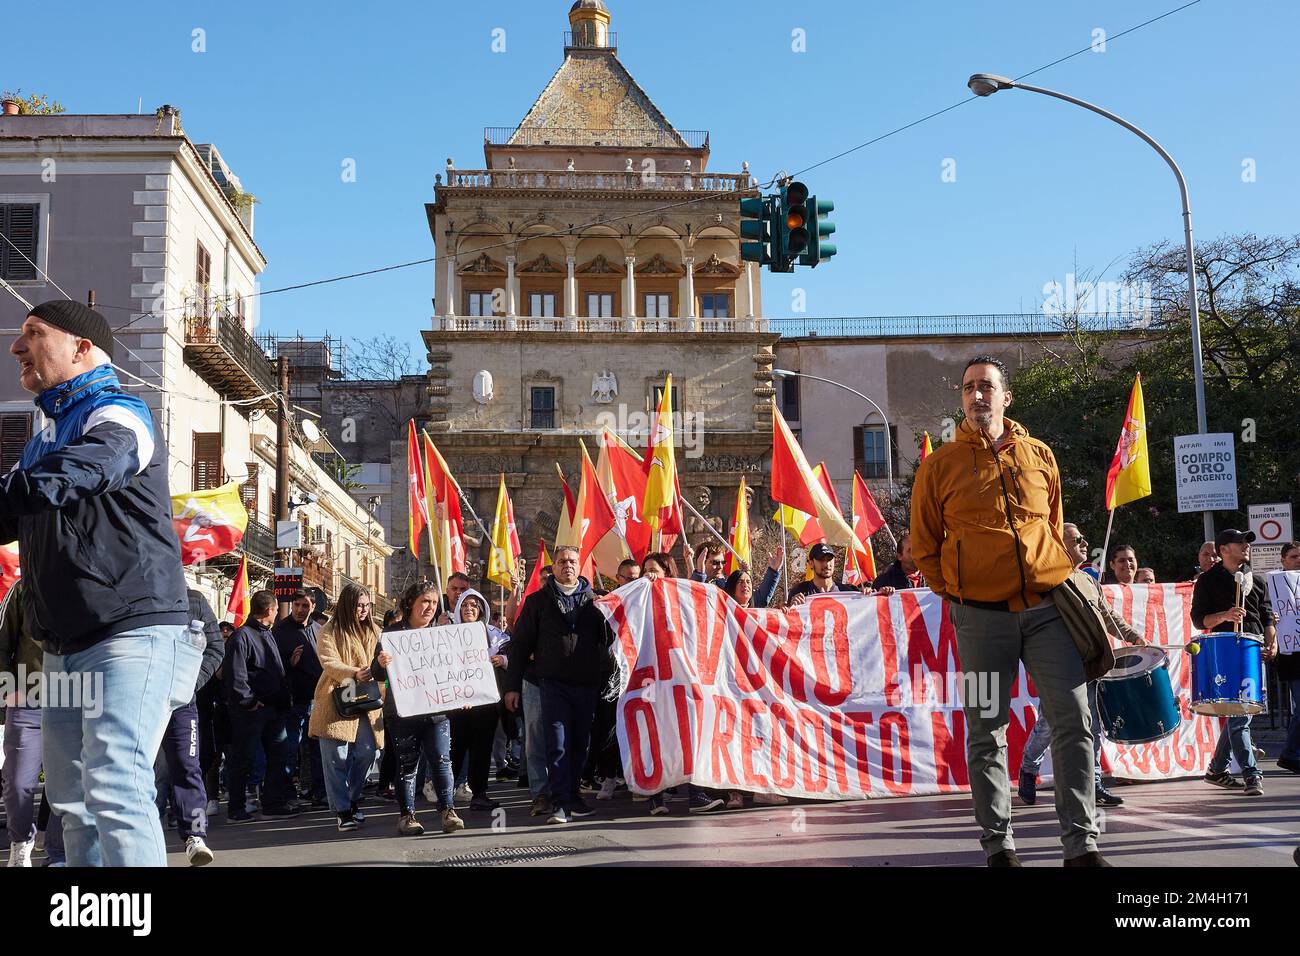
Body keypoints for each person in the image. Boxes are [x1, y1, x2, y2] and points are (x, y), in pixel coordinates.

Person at [3, 300, 200, 867]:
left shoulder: (121, 415)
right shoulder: (42, 441)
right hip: (61, 647)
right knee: (72, 800)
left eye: (34, 334)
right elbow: (17, 502)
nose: (17, 347)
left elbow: (84, 469)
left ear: (82, 349)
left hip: (130, 634)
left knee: (115, 787)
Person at [911, 355, 1105, 867]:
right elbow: (924, 547)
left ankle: (1082, 846)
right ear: (961, 398)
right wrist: (957, 594)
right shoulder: (938, 466)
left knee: (1075, 720)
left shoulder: (1040, 455)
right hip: (978, 622)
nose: (978, 395)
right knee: (985, 729)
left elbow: (1055, 527)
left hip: (1048, 614)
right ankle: (999, 846)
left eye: (988, 386)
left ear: (1006, 397)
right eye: (969, 387)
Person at [1018, 537, 1149, 810]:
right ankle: (1029, 769)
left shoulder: (1089, 582)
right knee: (1048, 726)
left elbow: (1109, 616)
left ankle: (1094, 784)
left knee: (1094, 728)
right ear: (1059, 545)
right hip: (1058, 668)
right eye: (1076, 539)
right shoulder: (1045, 582)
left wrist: (1133, 636)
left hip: (1091, 664)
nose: (1085, 542)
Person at [505, 545, 614, 825]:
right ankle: (560, 803)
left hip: (587, 684)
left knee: (581, 743)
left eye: (573, 561)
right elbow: (519, 647)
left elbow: (612, 639)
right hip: (552, 684)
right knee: (558, 742)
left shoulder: (596, 602)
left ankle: (573, 794)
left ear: (580, 566)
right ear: (554, 567)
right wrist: (512, 686)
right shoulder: (537, 602)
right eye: (562, 561)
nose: (568, 565)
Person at [372, 580, 465, 836]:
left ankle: (448, 811)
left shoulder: (442, 633)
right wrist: (381, 663)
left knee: (442, 760)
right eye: (425, 601)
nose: (430, 607)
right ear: (411, 603)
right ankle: (407, 816)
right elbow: (376, 673)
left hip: (437, 712)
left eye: (434, 603)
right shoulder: (392, 635)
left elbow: (456, 671)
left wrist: (466, 692)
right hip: (403, 712)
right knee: (407, 764)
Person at [1191, 529, 1278, 796]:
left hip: (1252, 648)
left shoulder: (1257, 580)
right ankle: (1252, 773)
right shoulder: (1207, 580)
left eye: (1247, 542)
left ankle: (1217, 769)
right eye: (1240, 542)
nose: (1246, 546)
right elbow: (1199, 620)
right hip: (1224, 649)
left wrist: (1271, 642)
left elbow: (1267, 617)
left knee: (1241, 711)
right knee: (1240, 711)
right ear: (1223, 549)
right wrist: (1225, 615)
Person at [154, 589, 225, 865]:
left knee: (187, 765)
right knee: (142, 769)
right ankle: (146, 831)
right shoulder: (132, 591)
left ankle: (195, 835)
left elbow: (215, 648)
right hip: (139, 699)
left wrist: (186, 684)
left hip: (182, 703)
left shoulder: (194, 600)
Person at [311, 583, 387, 831]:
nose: (363, 610)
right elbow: (328, 661)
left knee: (369, 752)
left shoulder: (376, 630)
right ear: (347, 605)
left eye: (366, 605)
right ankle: (342, 810)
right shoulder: (329, 630)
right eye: (359, 605)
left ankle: (353, 798)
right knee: (335, 758)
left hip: (368, 699)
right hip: (335, 699)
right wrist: (356, 673)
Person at [221, 590, 300, 823]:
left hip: (274, 710)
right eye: (276, 609)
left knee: (279, 755)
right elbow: (236, 675)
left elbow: (268, 667)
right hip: (251, 712)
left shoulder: (267, 634)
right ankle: (235, 809)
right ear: (269, 610)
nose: (277, 613)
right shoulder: (242, 636)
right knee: (243, 759)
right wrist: (249, 702)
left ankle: (272, 803)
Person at [0, 580, 64, 866]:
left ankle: (58, 852)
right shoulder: (23, 588)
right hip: (26, 698)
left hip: (76, 699)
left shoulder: (91, 577)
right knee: (16, 780)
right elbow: (1, 643)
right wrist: (7, 692)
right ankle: (21, 841)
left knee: (67, 784)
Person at [448, 589, 509, 812]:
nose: (469, 609)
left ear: (481, 609)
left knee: (481, 749)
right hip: (457, 703)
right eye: (465, 605)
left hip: (485, 704)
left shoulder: (495, 635)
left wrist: (502, 659)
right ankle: (447, 796)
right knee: (455, 748)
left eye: (474, 605)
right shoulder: (448, 635)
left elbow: (512, 654)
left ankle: (479, 793)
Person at [273, 592, 327, 808]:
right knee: (289, 750)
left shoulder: (319, 630)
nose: (299, 609)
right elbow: (272, 666)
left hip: (317, 700)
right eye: (296, 605)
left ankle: (318, 791)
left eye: (304, 605)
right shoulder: (279, 631)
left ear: (312, 607)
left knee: (317, 749)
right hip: (292, 701)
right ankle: (287, 794)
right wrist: (289, 663)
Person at [1279, 543, 1300, 775]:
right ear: (1283, 560)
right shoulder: (1275, 586)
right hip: (1293, 659)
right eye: (1293, 557)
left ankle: (1291, 753)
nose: (1298, 560)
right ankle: (1290, 754)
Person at [788, 544, 860, 604]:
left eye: (829, 559)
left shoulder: (847, 591)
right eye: (821, 559)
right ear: (811, 564)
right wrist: (791, 607)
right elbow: (788, 618)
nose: (827, 564)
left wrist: (867, 596)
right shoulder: (800, 591)